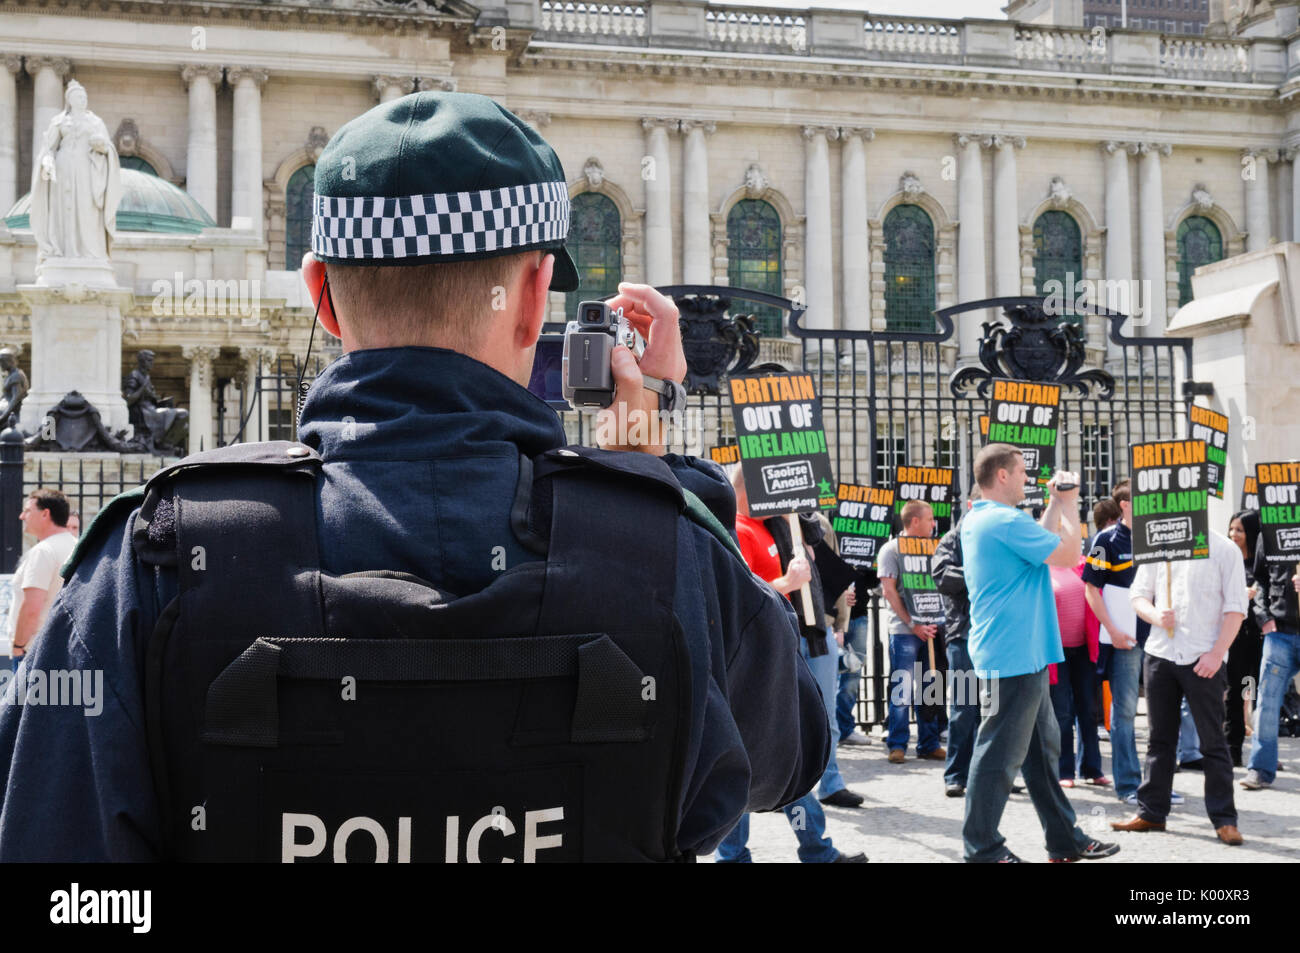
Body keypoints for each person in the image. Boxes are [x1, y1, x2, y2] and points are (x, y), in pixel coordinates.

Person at [0, 91, 830, 862]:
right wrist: (657, 471)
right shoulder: (665, 554)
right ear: (534, 294)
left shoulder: (150, 564)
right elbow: (789, 755)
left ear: (320, 293)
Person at [960, 444, 1119, 863]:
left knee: (1041, 755)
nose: (1028, 479)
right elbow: (1068, 555)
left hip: (1017, 653)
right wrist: (1069, 501)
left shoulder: (987, 518)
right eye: (1022, 472)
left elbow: (1046, 540)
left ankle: (1064, 839)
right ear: (1003, 476)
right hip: (1013, 655)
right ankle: (982, 849)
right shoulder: (1004, 520)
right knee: (998, 755)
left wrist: (1054, 503)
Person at [716, 466, 867, 863]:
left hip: (779, 655)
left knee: (788, 758)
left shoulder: (770, 527)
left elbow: (811, 539)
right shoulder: (737, 528)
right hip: (754, 662)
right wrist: (787, 581)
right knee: (748, 764)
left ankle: (817, 851)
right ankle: (737, 857)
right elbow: (740, 593)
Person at [1112, 529, 1247, 846]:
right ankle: (1152, 812)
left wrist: (1217, 654)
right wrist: (1156, 615)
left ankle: (1224, 820)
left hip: (1203, 658)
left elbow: (1236, 608)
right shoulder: (1158, 542)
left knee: (1213, 743)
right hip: (1160, 655)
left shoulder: (1224, 549)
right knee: (1158, 741)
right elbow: (1138, 595)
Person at [1082, 480, 1151, 806]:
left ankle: (1155, 782)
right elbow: (1091, 589)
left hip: (1160, 639)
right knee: (1124, 713)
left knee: (1161, 717)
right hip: (1125, 639)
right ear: (1124, 504)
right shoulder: (1103, 540)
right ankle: (1128, 784)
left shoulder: (1158, 536)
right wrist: (1112, 629)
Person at [878, 500, 945, 764]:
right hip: (904, 630)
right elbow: (889, 590)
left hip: (931, 627)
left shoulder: (935, 548)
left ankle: (929, 742)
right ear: (915, 521)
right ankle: (898, 743)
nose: (933, 524)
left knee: (932, 684)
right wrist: (912, 624)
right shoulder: (891, 549)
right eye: (929, 519)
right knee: (902, 687)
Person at [1242, 516, 1300, 791]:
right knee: (1266, 701)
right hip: (1280, 632)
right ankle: (1261, 770)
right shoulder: (1271, 529)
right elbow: (1260, 579)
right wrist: (1263, 616)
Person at [933, 486, 981, 796]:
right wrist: (980, 573)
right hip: (962, 635)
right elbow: (942, 575)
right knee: (964, 707)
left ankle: (986, 773)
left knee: (994, 708)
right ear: (970, 503)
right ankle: (956, 775)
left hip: (993, 634)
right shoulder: (952, 538)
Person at [1047, 551, 1106, 788]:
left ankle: (1092, 768)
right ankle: (1064, 771)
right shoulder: (1041, 568)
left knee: (1088, 710)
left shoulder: (1081, 564)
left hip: (1084, 648)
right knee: (1062, 713)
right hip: (1055, 652)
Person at [7, 490, 77, 671]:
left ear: (45, 514)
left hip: (34, 653)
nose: (22, 516)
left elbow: (32, 608)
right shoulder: (77, 546)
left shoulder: (43, 552)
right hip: (67, 648)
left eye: (28, 511)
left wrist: (18, 646)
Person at [1225, 510, 1263, 766]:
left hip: (1259, 636)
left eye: (1240, 530)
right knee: (1235, 692)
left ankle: (1262, 754)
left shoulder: (1262, 563)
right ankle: (1233, 749)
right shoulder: (1228, 561)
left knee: (1260, 693)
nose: (1234, 535)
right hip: (1234, 636)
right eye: (1232, 529)